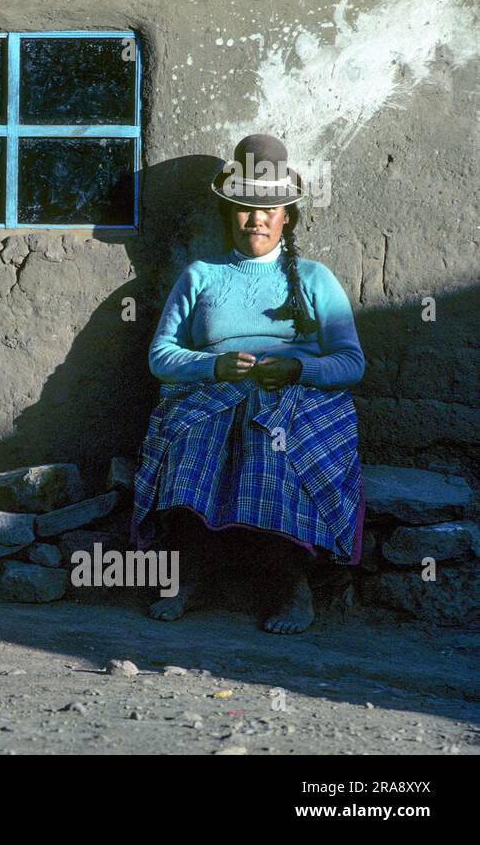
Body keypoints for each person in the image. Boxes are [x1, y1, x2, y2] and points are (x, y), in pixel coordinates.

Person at [131, 134, 366, 634]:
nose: (256, 219)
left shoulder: (316, 278)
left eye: (269, 209)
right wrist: (213, 368)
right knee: (198, 441)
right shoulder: (200, 275)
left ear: (287, 216)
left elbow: (351, 362)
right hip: (211, 394)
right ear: (227, 213)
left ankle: (291, 587)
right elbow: (161, 356)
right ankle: (190, 577)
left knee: (270, 446)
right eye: (243, 208)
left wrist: (300, 370)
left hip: (298, 397)